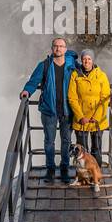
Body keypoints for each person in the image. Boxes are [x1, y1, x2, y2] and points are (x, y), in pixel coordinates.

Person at [20, 38, 78, 183]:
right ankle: (50, 170)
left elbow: (84, 77)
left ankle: (64, 168)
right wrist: (27, 91)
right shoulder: (44, 65)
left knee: (66, 141)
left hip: (67, 110)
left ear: (65, 49)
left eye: (61, 46)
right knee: (49, 141)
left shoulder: (72, 65)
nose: (58, 49)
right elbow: (34, 81)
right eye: (56, 46)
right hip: (49, 110)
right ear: (52, 49)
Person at [68, 49, 110, 167]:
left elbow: (105, 97)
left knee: (96, 148)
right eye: (84, 59)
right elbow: (72, 97)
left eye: (89, 59)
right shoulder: (75, 75)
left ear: (93, 60)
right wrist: (80, 116)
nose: (86, 61)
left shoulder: (101, 76)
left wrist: (96, 117)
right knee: (82, 150)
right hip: (81, 120)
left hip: (97, 121)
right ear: (81, 60)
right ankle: (83, 174)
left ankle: (96, 174)